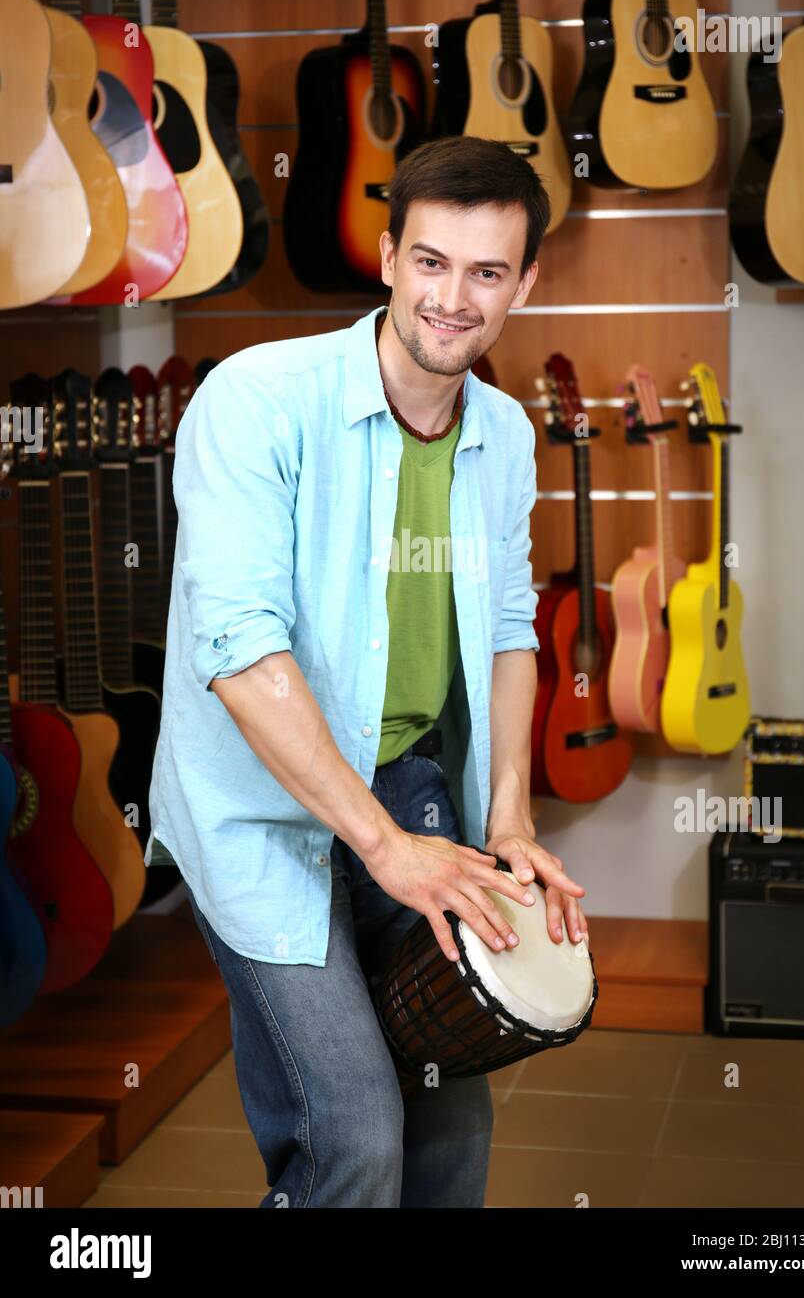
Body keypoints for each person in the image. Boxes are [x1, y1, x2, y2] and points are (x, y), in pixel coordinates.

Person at [146, 134, 588, 1208]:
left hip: (415, 794)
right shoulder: (256, 401)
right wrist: (384, 850)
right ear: (387, 256)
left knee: (448, 1129)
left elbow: (505, 626)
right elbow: (242, 653)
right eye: (430, 262)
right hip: (258, 811)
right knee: (352, 1132)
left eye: (487, 272)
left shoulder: (501, 432)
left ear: (523, 282)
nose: (452, 297)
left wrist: (512, 819)